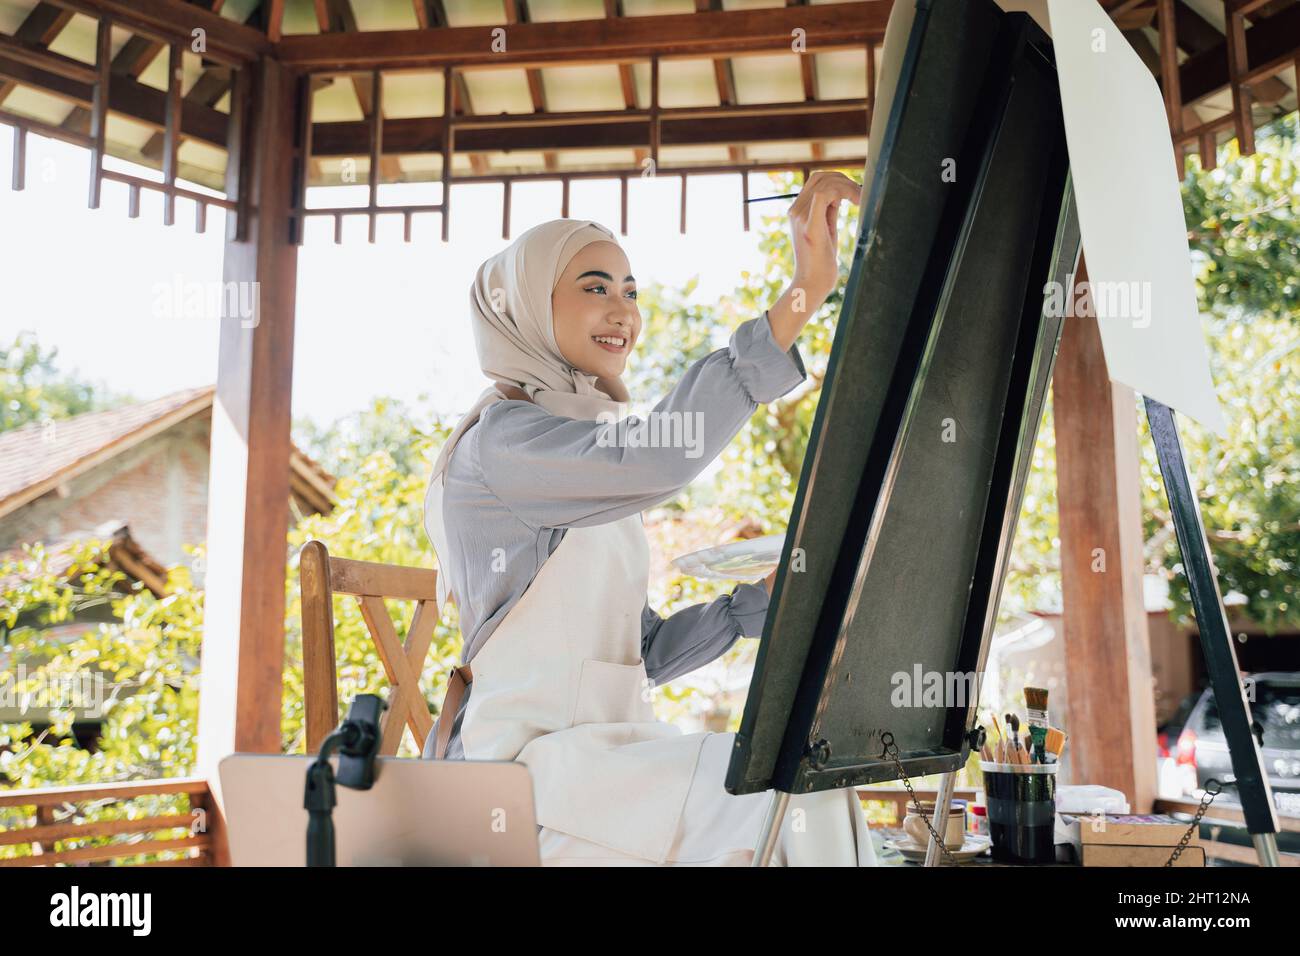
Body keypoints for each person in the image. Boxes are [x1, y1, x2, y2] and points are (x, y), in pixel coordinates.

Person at [422, 171, 877, 865]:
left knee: (801, 781)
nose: (623, 310)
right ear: (528, 306)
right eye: (596, 287)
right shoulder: (504, 445)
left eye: (631, 292)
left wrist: (753, 606)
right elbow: (659, 457)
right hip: (520, 780)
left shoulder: (579, 454)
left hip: (603, 760)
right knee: (782, 795)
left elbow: (645, 654)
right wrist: (801, 295)